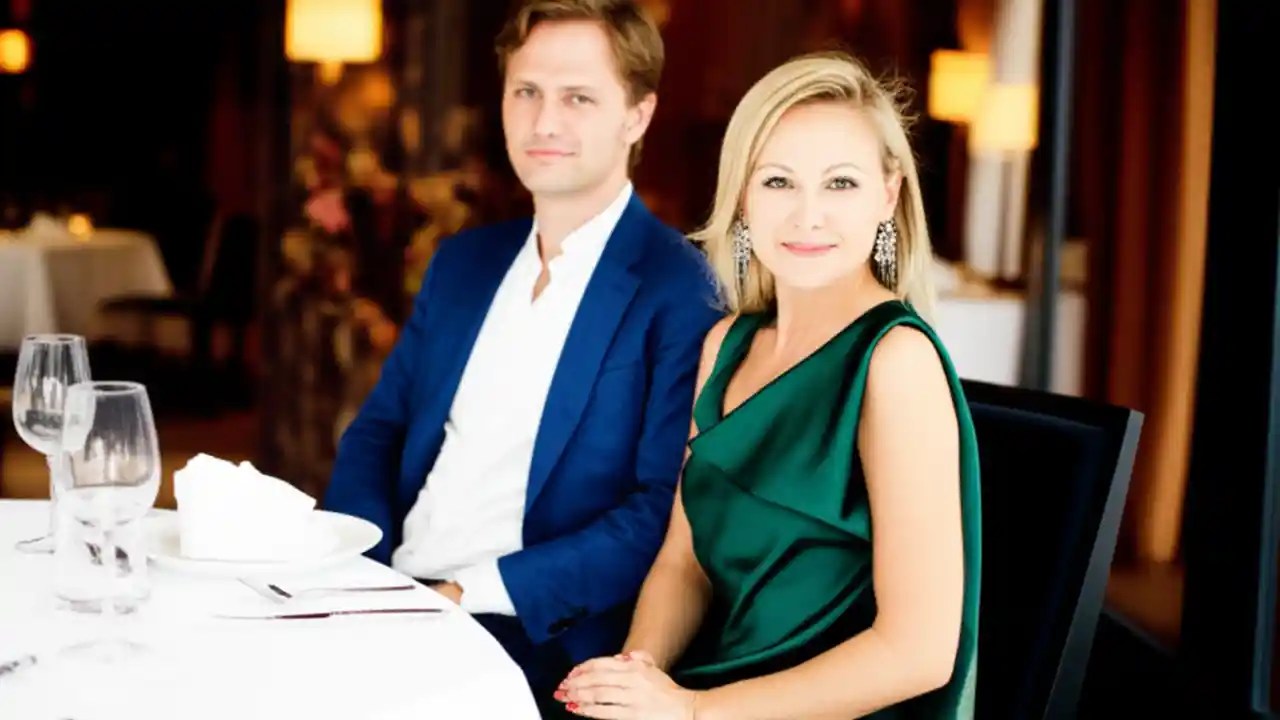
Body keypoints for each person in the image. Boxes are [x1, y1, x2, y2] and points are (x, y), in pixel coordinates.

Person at [322, 0, 721, 709]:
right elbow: (378, 433)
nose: (544, 122)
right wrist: (360, 571)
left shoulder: (681, 289)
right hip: (390, 594)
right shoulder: (463, 262)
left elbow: (659, 510)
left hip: (530, 632)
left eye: (578, 98)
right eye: (526, 91)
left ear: (637, 116)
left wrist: (458, 595)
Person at [558, 51, 981, 719]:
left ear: (888, 194)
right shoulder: (726, 345)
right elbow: (684, 560)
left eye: (840, 184)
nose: (807, 216)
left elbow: (919, 652)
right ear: (743, 197)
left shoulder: (896, 362)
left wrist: (694, 712)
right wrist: (633, 678)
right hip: (712, 690)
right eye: (779, 181)